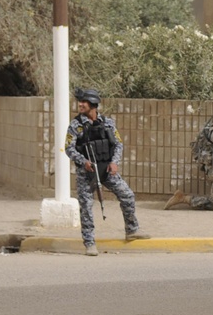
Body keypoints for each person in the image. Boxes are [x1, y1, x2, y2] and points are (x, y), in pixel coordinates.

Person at [64, 88, 149, 256]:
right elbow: (68, 148)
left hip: (107, 169)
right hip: (87, 173)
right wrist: (83, 161)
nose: (80, 104)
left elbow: (118, 144)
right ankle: (89, 243)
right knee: (86, 207)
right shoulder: (76, 125)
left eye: (84, 102)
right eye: (80, 101)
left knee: (127, 195)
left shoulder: (107, 122)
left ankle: (132, 230)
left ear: (93, 104)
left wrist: (114, 162)